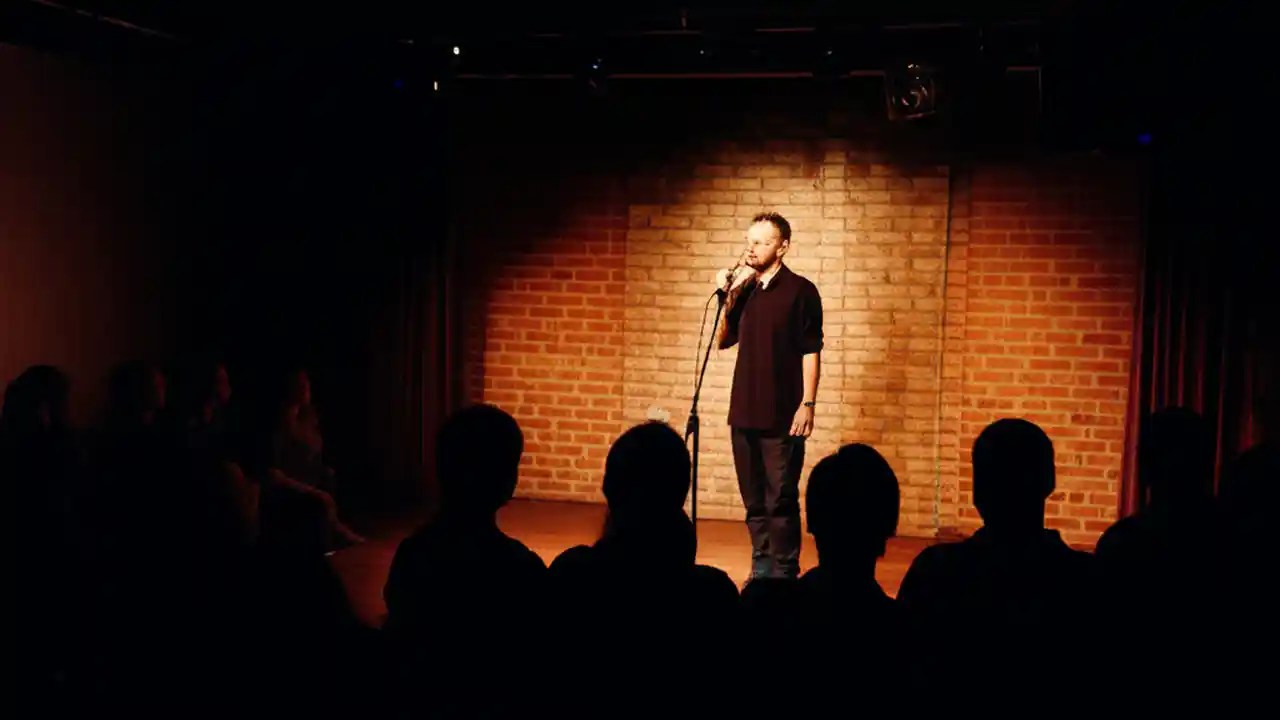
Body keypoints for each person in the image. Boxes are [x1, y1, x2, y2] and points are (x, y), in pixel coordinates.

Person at [714, 211, 823, 580]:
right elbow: (724, 340)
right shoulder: (747, 291)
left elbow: (811, 350)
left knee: (781, 497)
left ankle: (785, 571)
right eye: (750, 241)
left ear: (782, 247)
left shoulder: (801, 291)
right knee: (754, 498)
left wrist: (807, 404)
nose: (753, 248)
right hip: (743, 410)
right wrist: (728, 293)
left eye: (762, 242)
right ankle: (761, 565)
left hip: (782, 414)